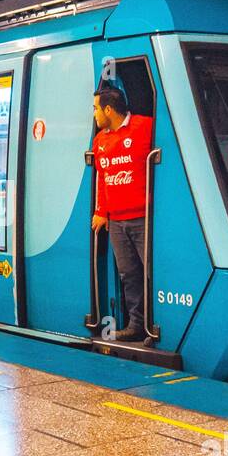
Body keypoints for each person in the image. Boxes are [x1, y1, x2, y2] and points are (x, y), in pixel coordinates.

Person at [91, 84, 154, 342]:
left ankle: (158, 325)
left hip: (144, 218)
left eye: (96, 108)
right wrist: (101, 212)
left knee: (151, 272)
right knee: (129, 274)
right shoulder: (100, 141)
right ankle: (137, 325)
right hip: (116, 220)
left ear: (109, 109)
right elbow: (102, 178)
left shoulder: (146, 126)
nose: (94, 114)